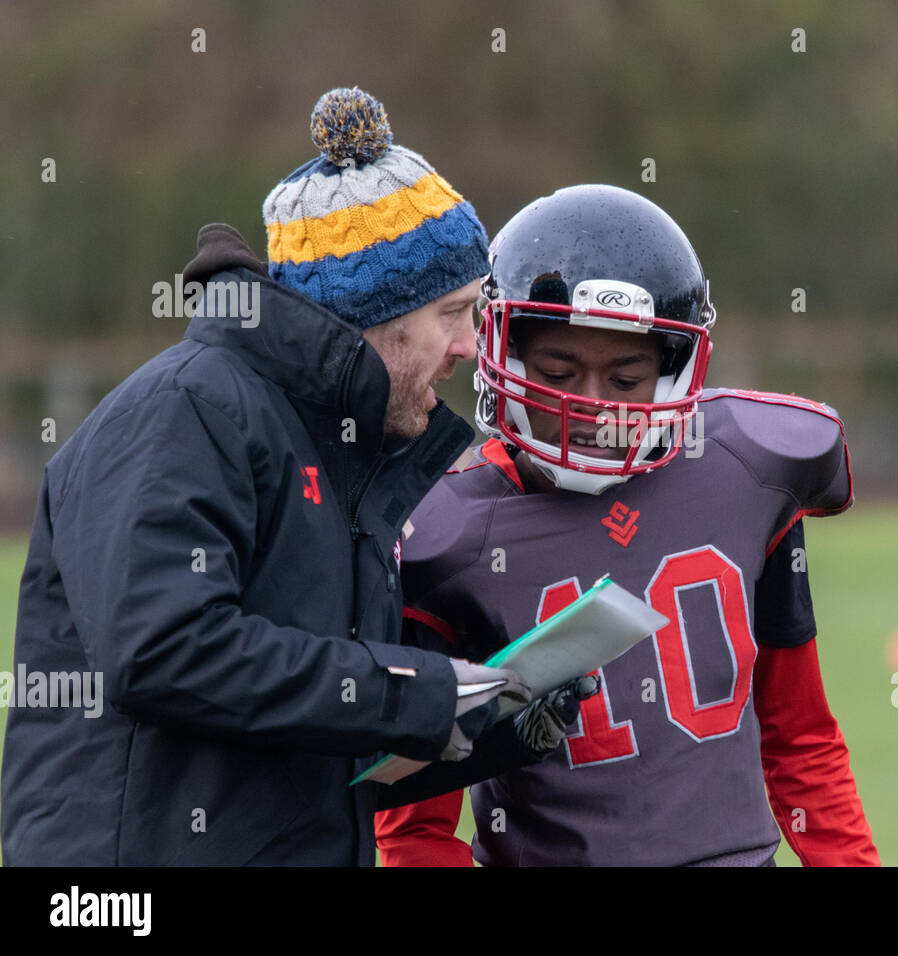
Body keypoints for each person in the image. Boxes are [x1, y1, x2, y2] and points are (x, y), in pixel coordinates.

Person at [1, 88, 584, 866]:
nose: (472, 347)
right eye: (454, 313)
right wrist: (416, 687)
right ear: (379, 311)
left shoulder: (344, 457)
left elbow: (320, 755)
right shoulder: (183, 411)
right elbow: (165, 652)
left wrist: (492, 726)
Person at [374, 185, 880, 866]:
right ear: (503, 352)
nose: (590, 405)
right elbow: (416, 827)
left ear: (674, 372)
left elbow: (800, 739)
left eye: (626, 377)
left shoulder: (748, 474)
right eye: (557, 370)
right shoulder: (444, 535)